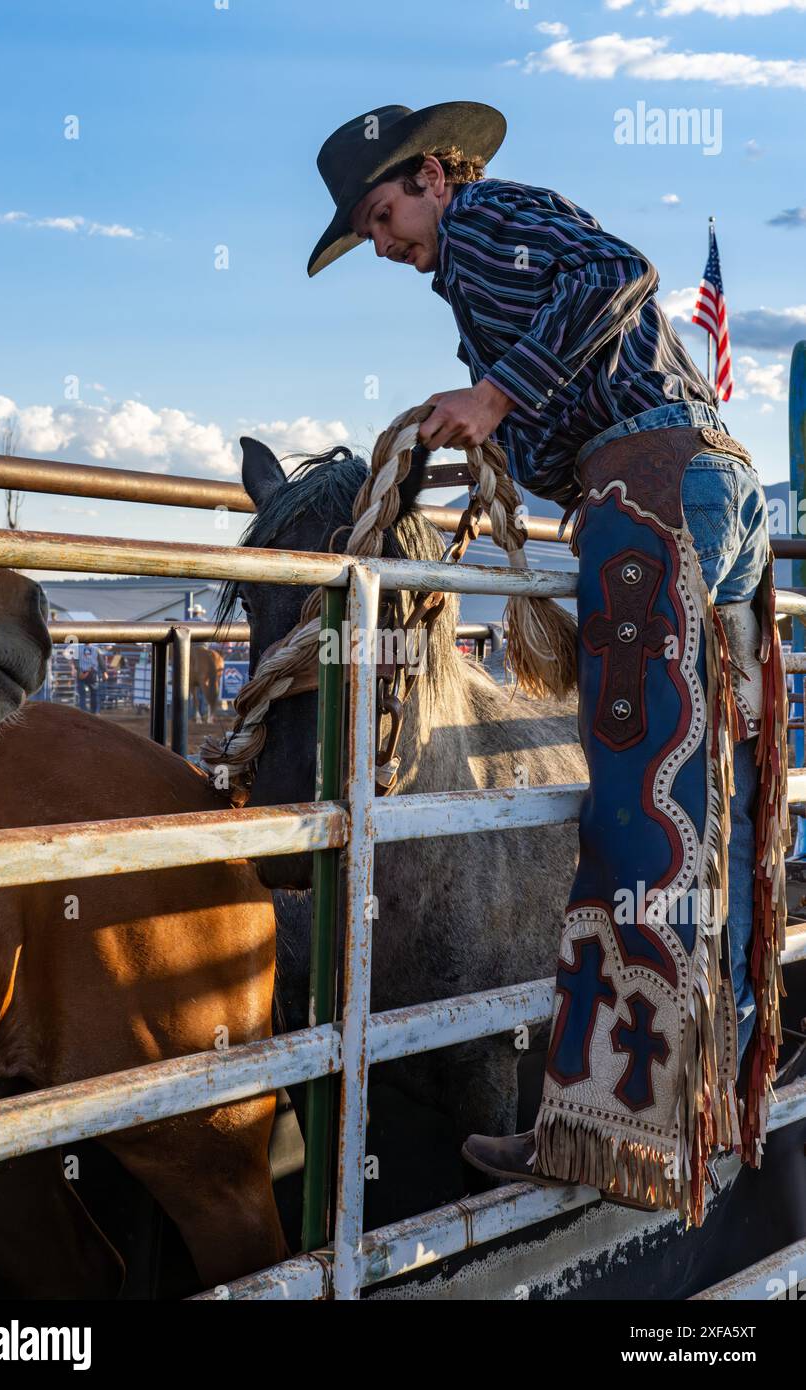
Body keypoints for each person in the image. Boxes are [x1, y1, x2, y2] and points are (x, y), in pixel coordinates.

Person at [308, 102, 789, 1223]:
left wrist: (493, 395)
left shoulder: (479, 226)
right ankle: (696, 1098)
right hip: (705, 482)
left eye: (381, 214)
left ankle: (610, 1126)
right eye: (370, 229)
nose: (382, 242)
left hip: (649, 497)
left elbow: (620, 270)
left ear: (432, 174)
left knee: (633, 806)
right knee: (704, 796)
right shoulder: (481, 267)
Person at [75, 642, 103, 715]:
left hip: (82, 673)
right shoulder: (96, 649)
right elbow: (101, 661)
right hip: (92, 673)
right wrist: (104, 671)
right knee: (94, 693)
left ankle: (84, 711)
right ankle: (94, 711)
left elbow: (76, 661)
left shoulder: (78, 649)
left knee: (82, 694)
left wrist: (78, 670)